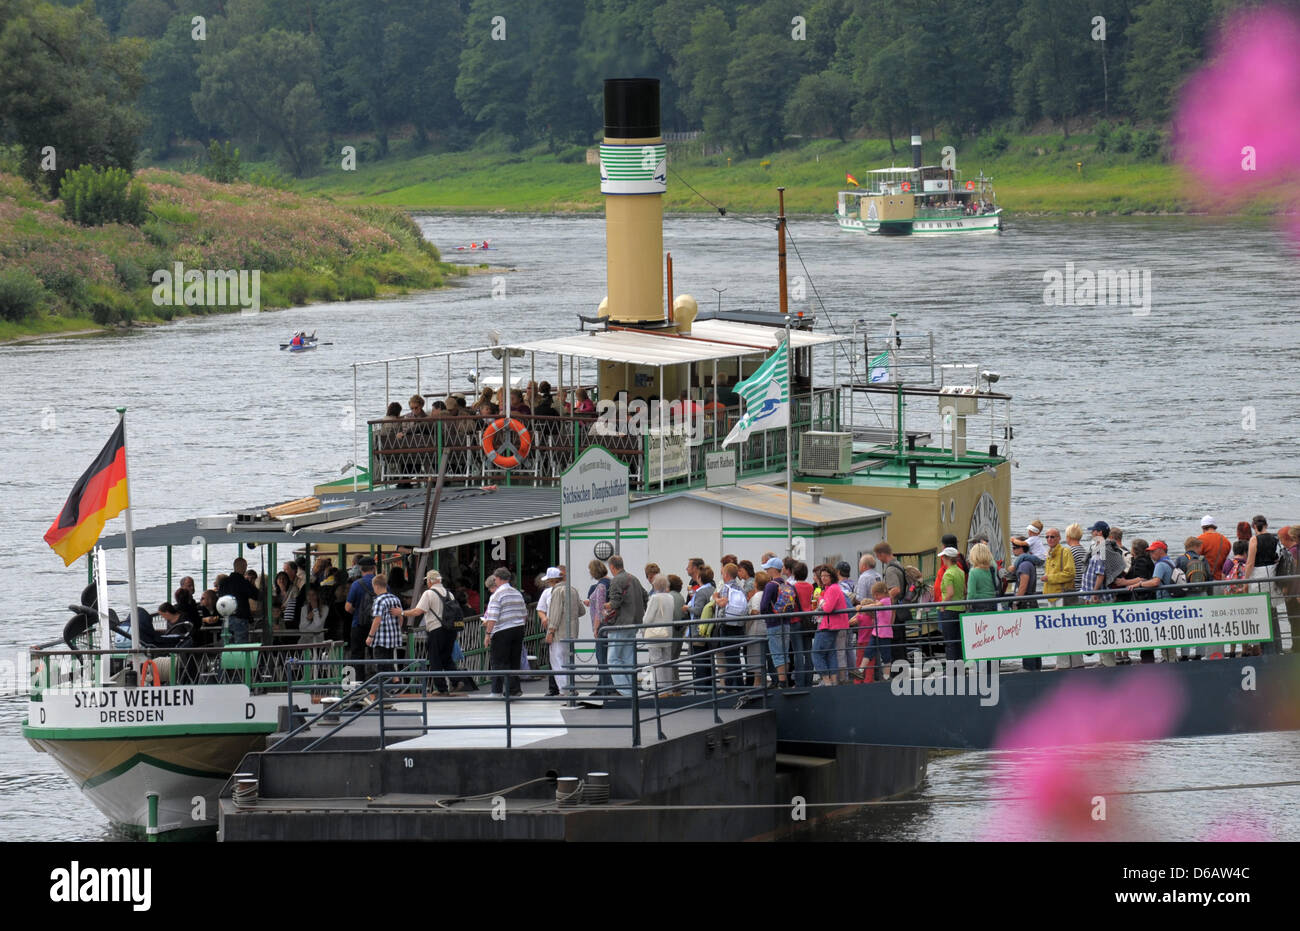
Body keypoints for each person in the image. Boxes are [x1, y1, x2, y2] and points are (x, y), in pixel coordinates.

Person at [399, 570, 457, 695]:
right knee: (446, 658)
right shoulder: (449, 594)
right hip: (451, 630)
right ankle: (457, 680)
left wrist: (402, 613)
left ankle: (442, 689)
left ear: (430, 581)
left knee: (435, 659)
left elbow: (417, 612)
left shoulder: (429, 593)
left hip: (436, 630)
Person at [605, 555, 647, 696]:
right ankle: (632, 690)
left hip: (620, 624)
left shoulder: (616, 580)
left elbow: (615, 603)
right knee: (628, 658)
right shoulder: (633, 578)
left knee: (613, 659)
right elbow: (645, 595)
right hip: (634, 623)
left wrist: (604, 605)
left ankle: (625, 691)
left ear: (612, 567)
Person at [483, 567, 527, 697]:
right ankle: (515, 689)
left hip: (502, 630)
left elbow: (493, 617)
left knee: (499, 661)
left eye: (495, 578)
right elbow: (524, 613)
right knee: (514, 661)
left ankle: (508, 689)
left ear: (498, 579)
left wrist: (488, 634)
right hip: (518, 629)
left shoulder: (497, 595)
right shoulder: (517, 592)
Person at [1243, 515, 1284, 653]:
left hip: (1258, 576)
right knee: (1273, 611)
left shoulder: (1254, 540)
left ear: (1254, 526)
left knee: (1261, 614)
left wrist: (1245, 582)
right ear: (1266, 524)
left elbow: (1250, 563)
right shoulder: (1275, 538)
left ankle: (1268, 650)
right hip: (1272, 575)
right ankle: (1278, 647)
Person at [544, 568, 584, 696]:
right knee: (568, 661)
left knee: (557, 661)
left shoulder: (557, 591)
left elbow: (555, 614)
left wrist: (550, 631)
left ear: (552, 580)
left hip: (559, 632)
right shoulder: (572, 590)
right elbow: (581, 611)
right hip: (572, 631)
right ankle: (571, 687)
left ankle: (565, 689)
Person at [364, 574, 403, 691]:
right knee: (389, 659)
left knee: (381, 663)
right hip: (393, 636)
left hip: (381, 637)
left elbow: (377, 619)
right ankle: (395, 681)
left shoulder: (379, 600)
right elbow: (401, 617)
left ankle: (384, 688)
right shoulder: (395, 599)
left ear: (376, 586)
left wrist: (370, 636)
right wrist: (397, 629)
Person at [812, 565, 850, 685]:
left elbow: (828, 608)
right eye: (822, 575)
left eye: (826, 576)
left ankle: (827, 681)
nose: (823, 578)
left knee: (817, 653)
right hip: (832, 625)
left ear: (832, 576)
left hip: (829, 626)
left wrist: (821, 600)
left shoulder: (832, 589)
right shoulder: (831, 588)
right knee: (831, 653)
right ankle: (833, 681)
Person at [1009, 538, 1042, 670]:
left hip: (1026, 603)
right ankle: (1036, 666)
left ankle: (1028, 667)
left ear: (1022, 549)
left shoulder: (1023, 565)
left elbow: (1023, 585)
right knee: (1033, 637)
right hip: (1032, 602)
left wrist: (1016, 601)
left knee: (1027, 637)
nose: (1013, 550)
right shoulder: (1030, 563)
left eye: (1015, 548)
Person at [641, 574, 678, 692]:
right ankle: (668, 688)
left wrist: (642, 629)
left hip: (655, 634)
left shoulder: (654, 598)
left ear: (655, 585)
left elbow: (647, 619)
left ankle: (662, 689)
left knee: (657, 661)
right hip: (668, 633)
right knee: (667, 660)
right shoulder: (670, 597)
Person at [585, 560, 615, 697]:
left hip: (602, 626)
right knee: (607, 656)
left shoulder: (601, 586)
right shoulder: (611, 582)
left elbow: (600, 609)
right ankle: (603, 685)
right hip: (611, 625)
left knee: (601, 657)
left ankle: (606, 686)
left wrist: (596, 628)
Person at [857, 580, 894, 682]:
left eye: (876, 595)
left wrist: (862, 607)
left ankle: (886, 677)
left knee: (886, 656)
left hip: (884, 633)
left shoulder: (886, 600)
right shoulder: (881, 601)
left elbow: (876, 605)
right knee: (868, 651)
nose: (875, 597)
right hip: (876, 632)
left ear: (882, 593)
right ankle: (860, 670)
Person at [216, 557, 260, 643]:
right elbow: (257, 595)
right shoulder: (243, 582)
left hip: (226, 618)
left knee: (227, 645)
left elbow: (220, 597)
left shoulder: (224, 582)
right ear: (244, 567)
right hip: (240, 618)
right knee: (240, 646)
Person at [687, 566, 716, 694]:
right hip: (709, 629)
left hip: (698, 630)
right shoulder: (713, 590)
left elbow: (697, 610)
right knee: (708, 658)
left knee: (699, 659)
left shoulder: (700, 592)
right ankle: (709, 685)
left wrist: (687, 608)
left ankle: (700, 687)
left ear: (699, 577)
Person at [345, 556, 377, 662]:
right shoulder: (381, 584)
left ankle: (359, 678)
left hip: (358, 625)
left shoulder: (356, 585)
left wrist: (359, 612)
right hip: (378, 625)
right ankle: (379, 677)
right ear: (374, 568)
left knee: (357, 655)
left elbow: (348, 607)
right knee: (378, 654)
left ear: (360, 569)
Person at [937, 546, 967, 661]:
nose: (942, 560)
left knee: (950, 642)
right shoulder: (960, 572)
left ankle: (952, 670)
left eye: (943, 557)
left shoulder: (948, 574)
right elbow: (964, 591)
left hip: (949, 610)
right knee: (959, 641)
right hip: (960, 609)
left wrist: (942, 606)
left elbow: (949, 593)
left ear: (946, 558)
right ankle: (961, 667)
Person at [1198, 516, 1233, 580]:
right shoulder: (1226, 541)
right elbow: (1229, 561)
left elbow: (1195, 559)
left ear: (1203, 527)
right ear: (1214, 527)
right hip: (1222, 579)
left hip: (1206, 579)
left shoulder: (1200, 540)